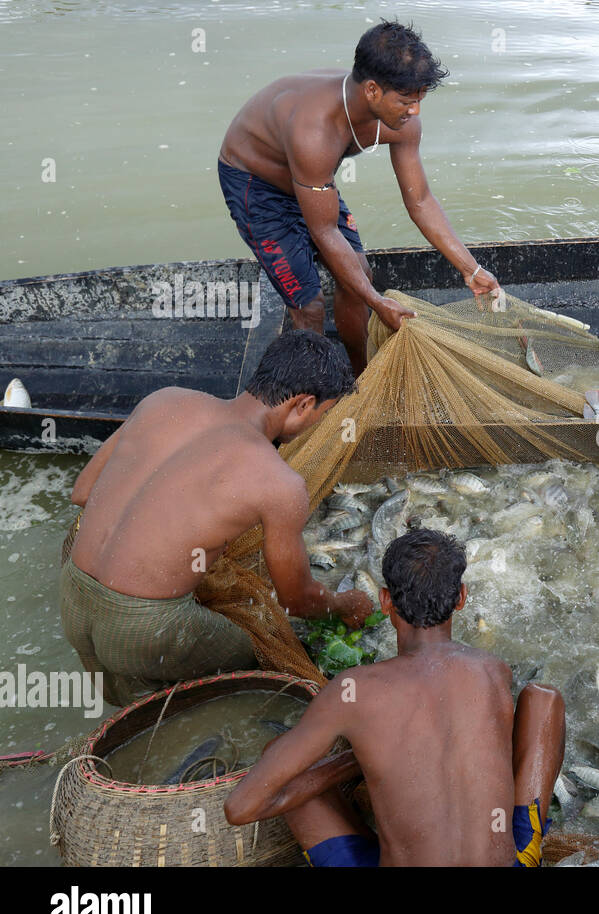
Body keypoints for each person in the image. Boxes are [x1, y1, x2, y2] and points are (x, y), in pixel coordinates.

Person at [61, 330, 374, 706]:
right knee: (263, 652)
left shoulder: (165, 400)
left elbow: (82, 492)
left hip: (72, 600)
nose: (315, 426)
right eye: (322, 415)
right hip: (144, 629)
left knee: (141, 684)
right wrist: (346, 604)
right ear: (303, 405)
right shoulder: (279, 483)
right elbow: (297, 602)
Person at [224, 529, 565, 867]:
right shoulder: (491, 670)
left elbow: (241, 808)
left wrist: (353, 763)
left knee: (279, 757)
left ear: (385, 600)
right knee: (544, 698)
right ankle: (531, 843)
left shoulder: (351, 691)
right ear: (461, 597)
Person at [217, 19, 501, 374]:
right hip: (256, 184)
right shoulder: (315, 130)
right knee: (310, 306)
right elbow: (324, 231)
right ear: (371, 91)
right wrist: (377, 301)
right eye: (405, 102)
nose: (414, 111)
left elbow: (421, 201)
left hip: (313, 180)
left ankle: (360, 375)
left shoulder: (402, 118)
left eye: (419, 99)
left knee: (358, 275)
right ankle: (313, 398)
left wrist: (470, 269)